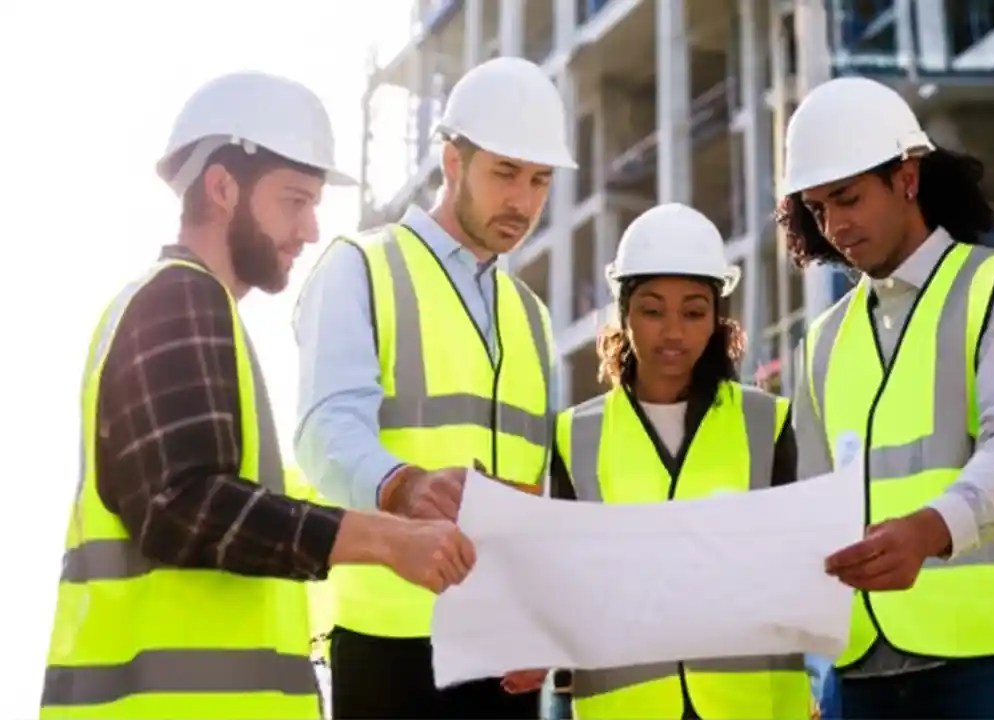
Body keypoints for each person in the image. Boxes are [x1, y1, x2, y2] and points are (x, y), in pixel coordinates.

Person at [40, 71, 476, 720]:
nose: (309, 229)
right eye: (295, 201)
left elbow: (234, 499)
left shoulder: (201, 312)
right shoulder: (179, 298)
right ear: (222, 189)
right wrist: (385, 541)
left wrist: (400, 497)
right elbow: (183, 506)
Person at [775, 75, 994, 718]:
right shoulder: (822, 343)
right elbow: (805, 506)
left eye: (848, 198)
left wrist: (931, 530)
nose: (835, 225)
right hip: (860, 667)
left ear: (908, 178)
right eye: (818, 207)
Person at [292, 56, 575, 719]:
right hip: (391, 639)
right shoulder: (363, 267)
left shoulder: (530, 316)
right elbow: (325, 434)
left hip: (502, 651)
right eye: (504, 173)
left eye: (539, 180)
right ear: (452, 164)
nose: (523, 201)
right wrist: (403, 484)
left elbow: (532, 492)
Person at [548, 202, 813, 720]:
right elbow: (564, 586)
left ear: (717, 320)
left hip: (753, 707)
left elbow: (799, 570)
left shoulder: (770, 423)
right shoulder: (574, 435)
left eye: (693, 312)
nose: (673, 331)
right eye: (652, 310)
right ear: (624, 313)